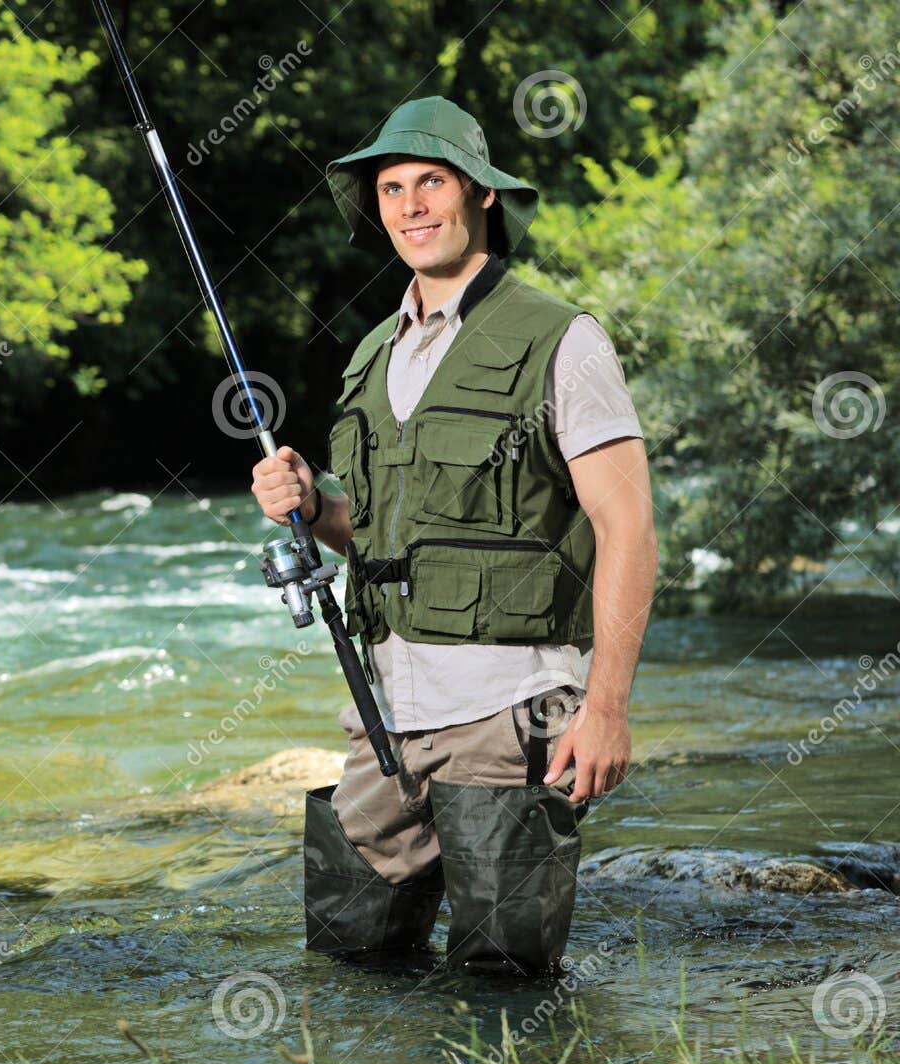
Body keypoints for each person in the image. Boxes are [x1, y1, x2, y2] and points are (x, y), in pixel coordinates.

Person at [251, 96, 658, 976]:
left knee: (505, 988)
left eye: (431, 180)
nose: (411, 204)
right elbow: (377, 529)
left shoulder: (562, 338)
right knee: (349, 969)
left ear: (480, 196)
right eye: (392, 187)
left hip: (511, 715)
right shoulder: (369, 357)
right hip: (386, 720)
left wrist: (609, 706)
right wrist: (309, 503)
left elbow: (627, 525)